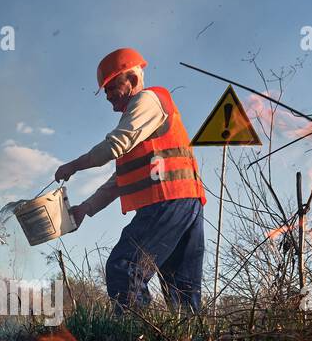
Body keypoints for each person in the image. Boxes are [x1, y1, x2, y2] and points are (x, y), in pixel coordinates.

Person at [54, 47, 206, 312]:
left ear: (133, 80)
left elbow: (115, 145)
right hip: (184, 202)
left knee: (124, 267)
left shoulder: (146, 101)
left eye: (112, 88)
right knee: (182, 291)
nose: (108, 96)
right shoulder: (140, 118)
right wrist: (85, 210)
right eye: (105, 92)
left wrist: (74, 165)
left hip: (167, 202)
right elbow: (120, 180)